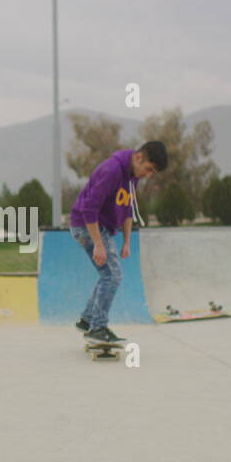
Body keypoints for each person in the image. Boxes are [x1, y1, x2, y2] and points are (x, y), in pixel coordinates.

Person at [69, 141, 168, 344]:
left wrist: (127, 241)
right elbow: (89, 208)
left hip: (98, 228)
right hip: (87, 225)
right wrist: (97, 243)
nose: (148, 175)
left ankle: (87, 320)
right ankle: (98, 327)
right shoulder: (112, 170)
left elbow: (128, 208)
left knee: (108, 274)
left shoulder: (132, 176)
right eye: (148, 169)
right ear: (139, 157)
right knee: (113, 275)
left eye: (153, 173)